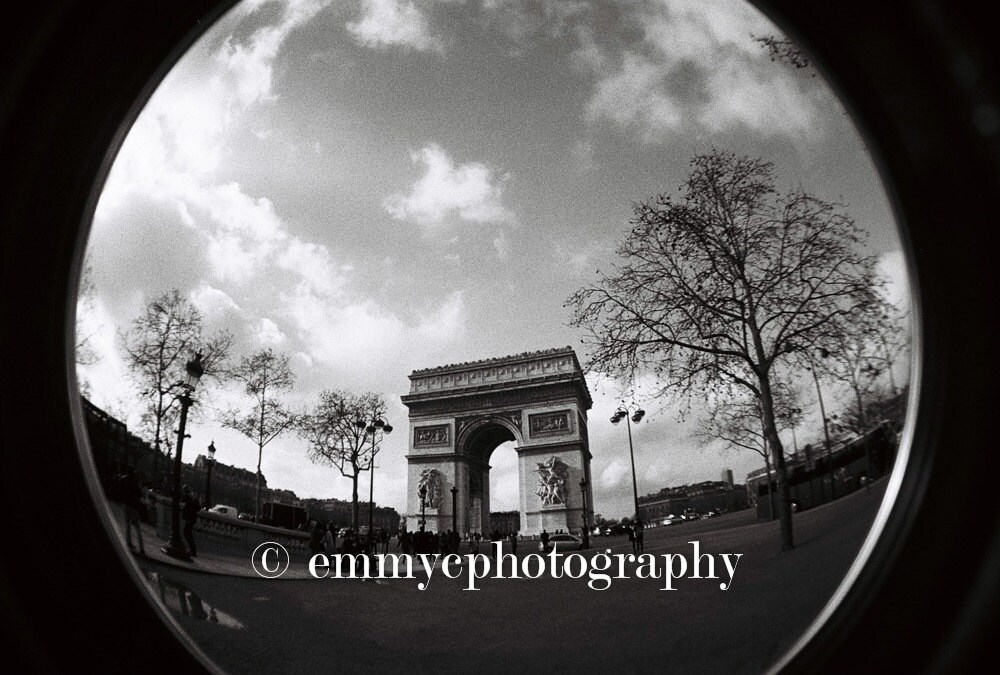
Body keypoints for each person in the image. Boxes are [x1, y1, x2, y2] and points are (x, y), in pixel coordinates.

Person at [120, 467, 145, 556]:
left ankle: (128, 541)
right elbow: (139, 494)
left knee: (127, 524)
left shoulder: (125, 480)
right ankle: (141, 548)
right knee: (137, 528)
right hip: (134, 506)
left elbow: (121, 489)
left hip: (126, 504)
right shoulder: (136, 482)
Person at [181, 485, 200, 558]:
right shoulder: (194, 496)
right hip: (192, 517)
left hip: (189, 517)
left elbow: (182, 500)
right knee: (188, 533)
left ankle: (192, 550)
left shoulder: (188, 497)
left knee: (187, 533)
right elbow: (198, 508)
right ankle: (192, 550)